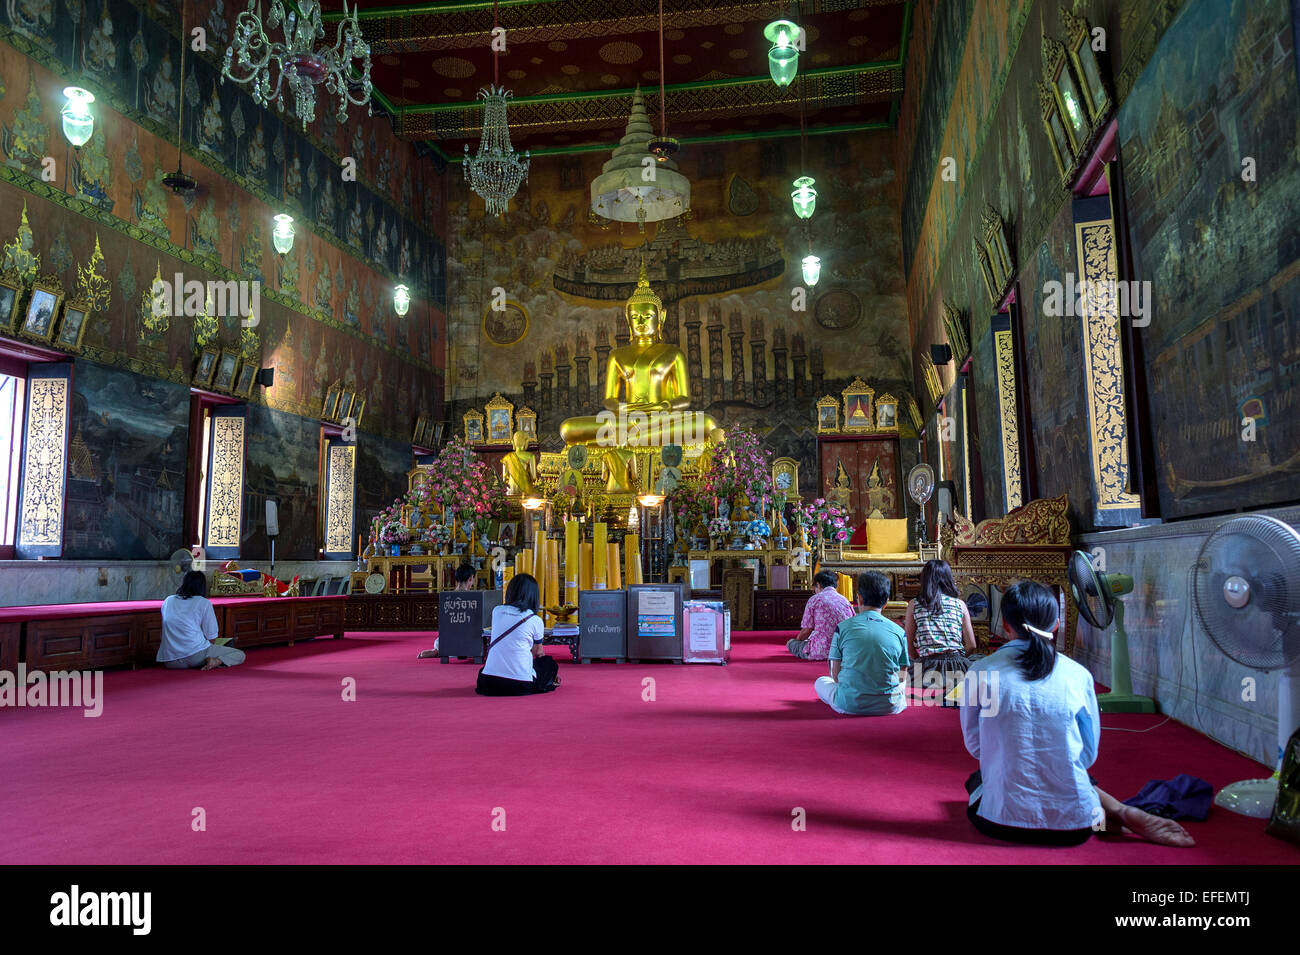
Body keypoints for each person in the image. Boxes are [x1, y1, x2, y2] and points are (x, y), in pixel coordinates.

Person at [959, 581, 1194, 847]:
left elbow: (976, 746)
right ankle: (1113, 814)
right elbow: (1087, 755)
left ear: (1005, 626)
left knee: (978, 779)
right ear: (1056, 624)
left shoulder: (982, 672)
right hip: (1077, 828)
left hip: (1000, 823)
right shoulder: (1078, 674)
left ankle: (1111, 816)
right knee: (1067, 765)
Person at [814, 571, 909, 716]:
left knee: (821, 682)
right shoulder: (899, 631)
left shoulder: (843, 628)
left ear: (859, 599)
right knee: (901, 685)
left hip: (849, 705)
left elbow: (836, 675)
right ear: (886, 602)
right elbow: (902, 675)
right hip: (890, 706)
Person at [904, 559, 975, 706]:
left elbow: (908, 644)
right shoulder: (959, 604)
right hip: (957, 666)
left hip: (927, 668)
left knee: (898, 670)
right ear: (948, 578)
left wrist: (920, 661)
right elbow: (971, 645)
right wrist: (960, 659)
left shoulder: (914, 605)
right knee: (982, 666)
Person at [476, 573, 560, 696]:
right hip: (520, 684)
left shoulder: (497, 611)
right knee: (548, 663)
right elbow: (538, 653)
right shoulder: (534, 619)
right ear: (534, 596)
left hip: (488, 682)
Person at [157, 570, 245, 670]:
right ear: (202, 586)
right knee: (239, 654)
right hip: (195, 657)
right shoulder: (203, 602)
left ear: (184, 583)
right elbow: (212, 637)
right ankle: (216, 661)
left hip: (170, 661)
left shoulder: (168, 600)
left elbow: (162, 633)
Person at [788, 570, 854, 661]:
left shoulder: (815, 599)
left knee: (791, 643)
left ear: (818, 585)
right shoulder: (845, 600)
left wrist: (798, 640)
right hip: (843, 651)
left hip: (820, 651)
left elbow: (807, 630)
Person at [418, 562, 475, 659]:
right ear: (471, 578)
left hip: (447, 642)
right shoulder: (474, 598)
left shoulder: (447, 597)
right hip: (468, 641)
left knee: (440, 641)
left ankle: (437, 650)